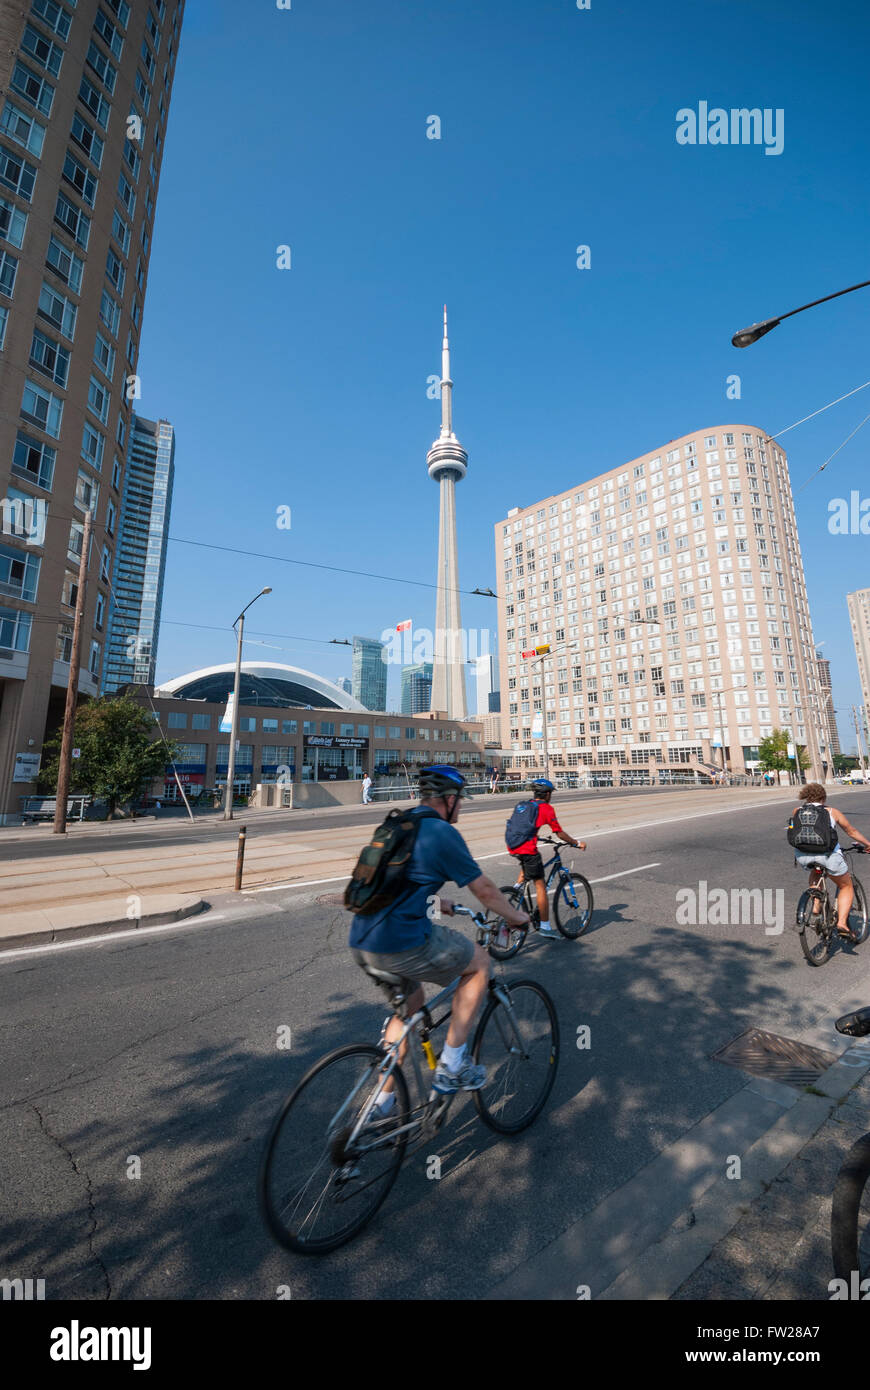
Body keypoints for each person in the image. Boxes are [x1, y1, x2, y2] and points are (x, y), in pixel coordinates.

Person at [349, 765, 530, 1098]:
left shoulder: (399, 824)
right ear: (448, 799)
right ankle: (452, 1066)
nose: (461, 806)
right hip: (399, 942)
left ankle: (380, 1107)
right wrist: (518, 916)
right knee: (479, 964)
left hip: (362, 940)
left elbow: (393, 885)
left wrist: (432, 902)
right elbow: (486, 891)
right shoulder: (441, 833)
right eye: (460, 800)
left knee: (409, 1013)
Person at [507, 778, 586, 939]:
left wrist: (537, 838)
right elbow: (559, 833)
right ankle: (545, 926)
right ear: (548, 794)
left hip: (513, 845)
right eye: (551, 794)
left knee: (528, 865)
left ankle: (515, 893)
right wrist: (576, 843)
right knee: (540, 885)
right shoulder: (546, 808)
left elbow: (524, 828)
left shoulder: (525, 805)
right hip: (527, 849)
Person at [791, 782, 870, 938]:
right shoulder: (832, 812)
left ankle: (815, 905)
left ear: (806, 796)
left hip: (802, 854)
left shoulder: (797, 810)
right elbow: (851, 831)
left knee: (816, 870)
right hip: (827, 855)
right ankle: (841, 922)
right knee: (846, 886)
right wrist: (868, 844)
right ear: (823, 797)